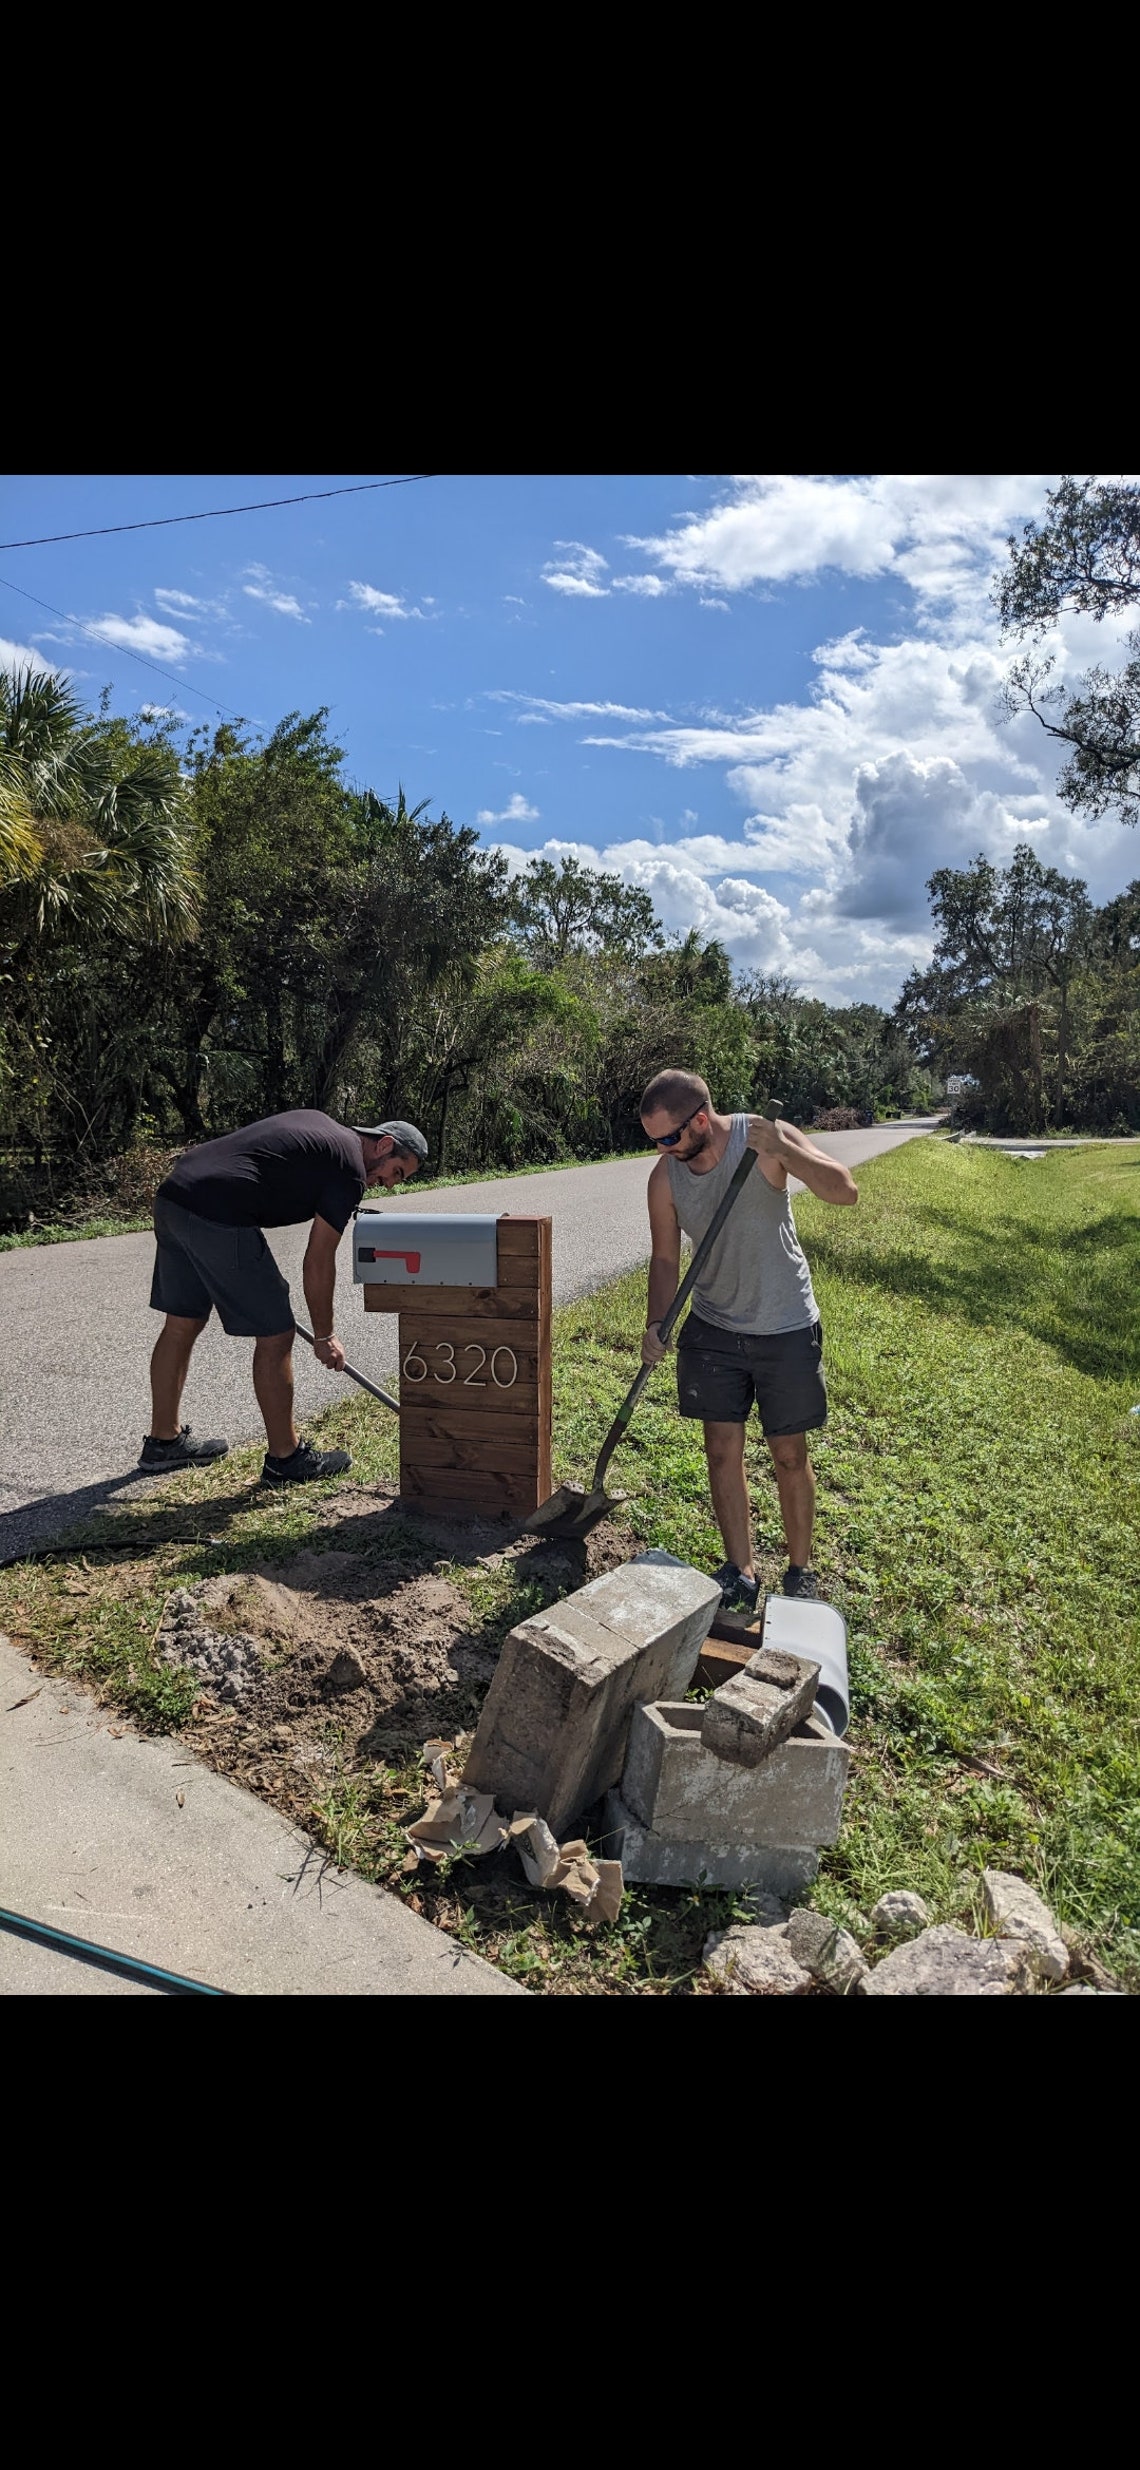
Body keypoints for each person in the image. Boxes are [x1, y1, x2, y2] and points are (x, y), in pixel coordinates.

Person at [639, 1070, 857, 1611]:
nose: (664, 1150)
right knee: (720, 1452)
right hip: (713, 1327)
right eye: (654, 1142)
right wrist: (655, 1321)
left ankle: (800, 1573)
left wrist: (786, 1148)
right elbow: (666, 1258)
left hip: (784, 1324)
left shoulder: (764, 1137)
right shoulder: (665, 1178)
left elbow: (844, 1192)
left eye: (670, 1138)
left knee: (788, 1453)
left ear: (701, 1119)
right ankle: (740, 1571)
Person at [140, 1111, 427, 1486]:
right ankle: (285, 1459)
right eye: (397, 1173)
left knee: (183, 1321)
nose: (389, 1184)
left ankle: (163, 1441)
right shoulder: (350, 1168)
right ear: (384, 1145)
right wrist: (325, 1336)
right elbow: (319, 1261)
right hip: (218, 1211)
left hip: (175, 1196)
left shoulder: (325, 1128)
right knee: (276, 1333)